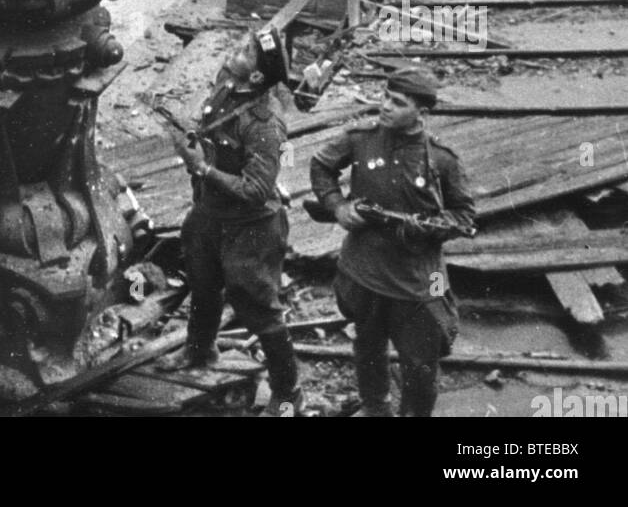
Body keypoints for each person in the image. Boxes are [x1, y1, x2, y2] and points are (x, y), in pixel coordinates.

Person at [310, 67, 476, 418]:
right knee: (367, 347)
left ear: (423, 113)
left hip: (419, 278)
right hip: (364, 269)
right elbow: (321, 165)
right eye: (385, 96)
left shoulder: (442, 159)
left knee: (421, 365)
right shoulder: (360, 138)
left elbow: (464, 216)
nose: (384, 106)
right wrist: (337, 205)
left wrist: (427, 229)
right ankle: (376, 407)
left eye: (397, 102)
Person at [174, 27, 301, 416]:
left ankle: (288, 392)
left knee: (257, 306)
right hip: (211, 215)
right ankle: (200, 352)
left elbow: (256, 190)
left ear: (258, 77)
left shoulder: (264, 124)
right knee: (203, 282)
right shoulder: (227, 83)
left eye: (245, 50)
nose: (235, 50)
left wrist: (203, 168)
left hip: (251, 228)